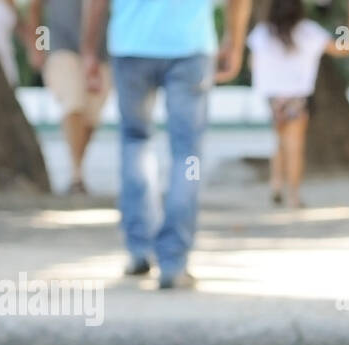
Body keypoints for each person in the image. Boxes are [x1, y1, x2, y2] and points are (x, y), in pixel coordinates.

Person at [82, 0, 252, 290]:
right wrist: (234, 42)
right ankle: (173, 260)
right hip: (190, 46)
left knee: (135, 142)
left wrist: (87, 50)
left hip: (131, 45)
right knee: (188, 154)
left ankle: (138, 249)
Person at [247, 0, 343, 209]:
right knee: (295, 146)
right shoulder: (309, 32)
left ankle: (276, 185)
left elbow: (252, 63)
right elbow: (340, 48)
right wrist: (346, 28)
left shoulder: (262, 32)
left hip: (273, 97)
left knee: (279, 140)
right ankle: (294, 195)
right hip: (296, 97)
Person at [30, 0, 112, 195]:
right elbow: (35, 7)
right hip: (61, 47)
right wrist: (38, 46)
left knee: (92, 117)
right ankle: (77, 175)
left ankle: (77, 171)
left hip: (103, 50)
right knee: (73, 104)